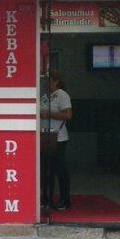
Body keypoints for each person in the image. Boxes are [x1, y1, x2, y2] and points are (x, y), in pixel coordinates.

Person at [40, 69, 72, 210]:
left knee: (60, 169)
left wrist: (50, 115)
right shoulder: (46, 96)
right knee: (47, 170)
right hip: (45, 136)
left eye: (49, 80)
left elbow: (68, 115)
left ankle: (65, 199)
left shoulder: (62, 95)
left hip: (58, 137)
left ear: (55, 81)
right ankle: (47, 199)